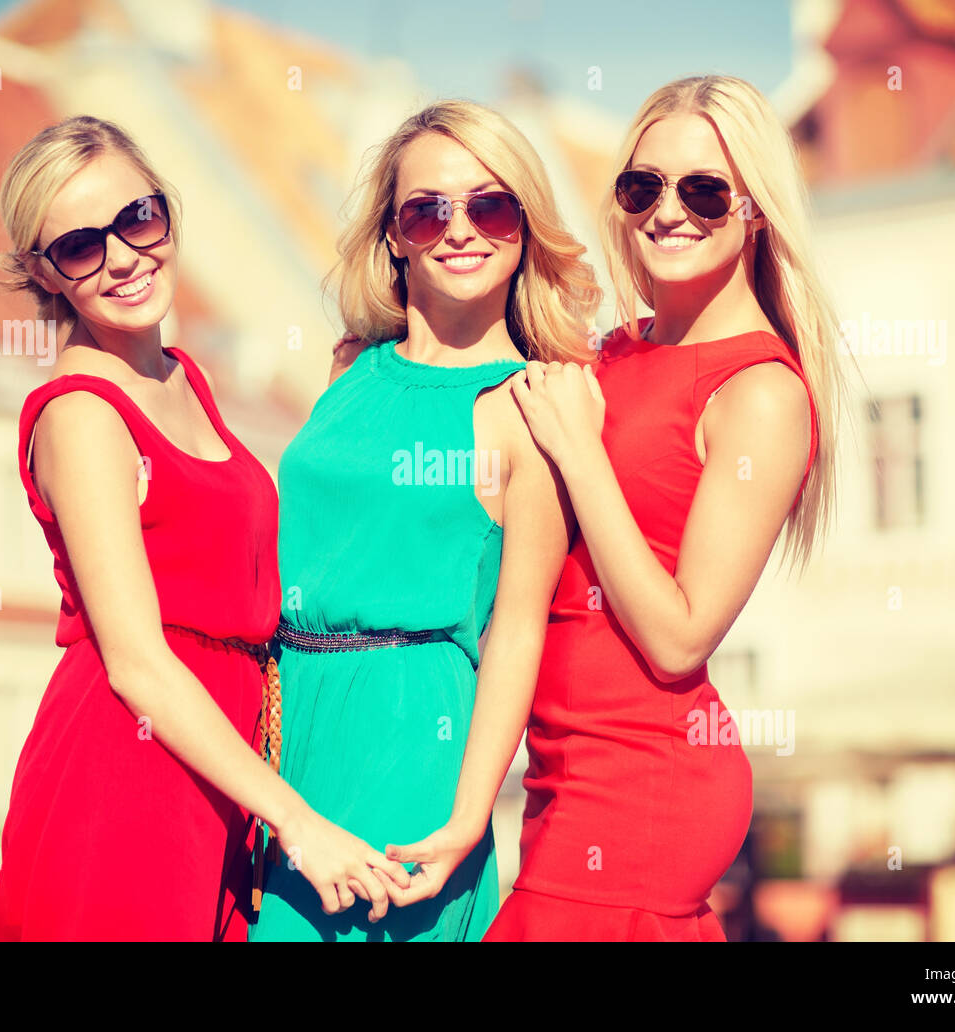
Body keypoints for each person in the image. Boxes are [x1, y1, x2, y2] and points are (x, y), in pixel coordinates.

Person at [0, 116, 409, 942]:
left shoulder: (181, 378)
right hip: (127, 771)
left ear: (165, 210)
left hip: (217, 771)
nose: (122, 257)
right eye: (80, 246)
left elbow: (231, 562)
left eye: (137, 218)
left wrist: (336, 409)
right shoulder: (83, 415)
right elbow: (139, 663)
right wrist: (300, 823)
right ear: (43, 272)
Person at [485, 75, 848, 941]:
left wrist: (581, 455)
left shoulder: (761, 391)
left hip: (644, 777)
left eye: (705, 190)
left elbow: (682, 636)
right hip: (559, 767)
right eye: (643, 186)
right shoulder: (608, 354)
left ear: (756, 210)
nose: (668, 211)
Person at [249, 100, 599, 941]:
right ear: (394, 236)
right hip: (288, 724)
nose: (460, 229)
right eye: (428, 210)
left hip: (412, 744)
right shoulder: (349, 372)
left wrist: (469, 816)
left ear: (524, 226)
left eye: (490, 205)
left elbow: (518, 629)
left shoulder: (528, 406)